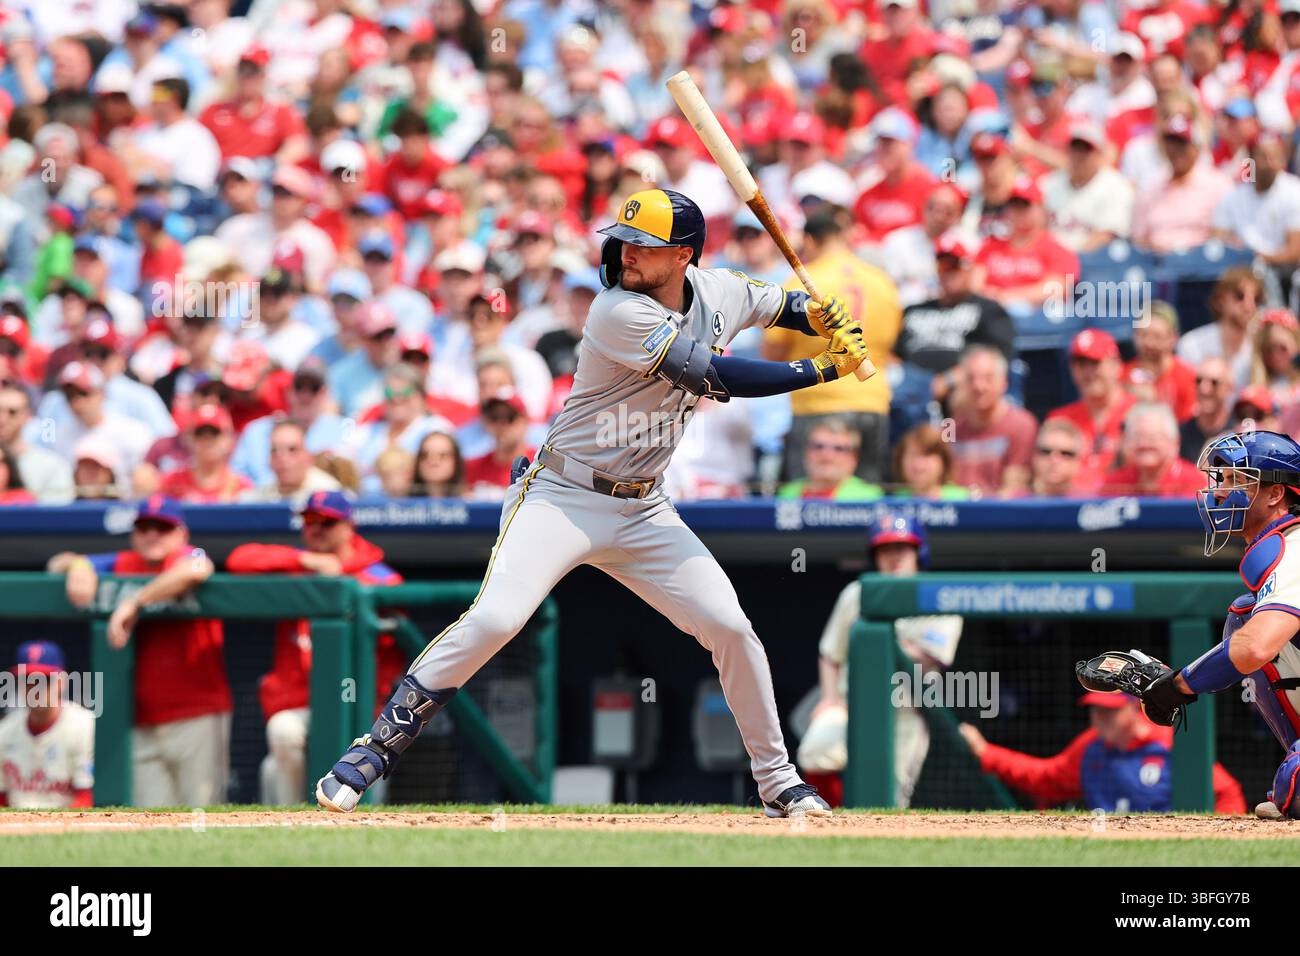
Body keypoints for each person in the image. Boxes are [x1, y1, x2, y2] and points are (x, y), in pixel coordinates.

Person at [316, 189, 874, 818]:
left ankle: (778, 782)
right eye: (625, 241)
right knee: (498, 620)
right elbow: (713, 376)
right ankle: (376, 748)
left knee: (732, 629)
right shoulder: (614, 311)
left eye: (646, 247)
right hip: (563, 494)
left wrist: (816, 316)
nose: (627, 254)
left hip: (645, 508)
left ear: (684, 256)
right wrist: (821, 370)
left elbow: (780, 303)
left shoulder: (721, 290)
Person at [1084, 429, 1300, 818]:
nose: (1221, 492)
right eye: (1222, 480)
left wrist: (1178, 685)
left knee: (1296, 783)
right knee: (1243, 615)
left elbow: (1256, 647)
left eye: (1238, 480)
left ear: (1275, 493)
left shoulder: (1296, 547)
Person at [46, 496, 230, 807]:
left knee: (203, 818)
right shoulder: (125, 562)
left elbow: (198, 568)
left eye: (163, 527)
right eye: (144, 527)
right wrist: (79, 566)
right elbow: (56, 562)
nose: (152, 534)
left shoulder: (187, 556)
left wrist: (134, 601)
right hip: (141, 721)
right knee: (150, 821)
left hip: (197, 717)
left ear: (181, 534)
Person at [226, 492, 407, 805]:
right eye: (310, 521)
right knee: (282, 733)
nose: (317, 528)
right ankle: (293, 817)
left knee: (365, 775)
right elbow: (238, 559)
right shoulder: (296, 566)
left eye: (328, 522)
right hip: (300, 700)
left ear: (349, 525)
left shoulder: (379, 577)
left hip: (357, 703)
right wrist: (304, 560)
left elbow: (398, 650)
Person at [797, 515, 962, 808]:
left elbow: (930, 657)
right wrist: (830, 697)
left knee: (892, 798)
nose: (894, 556)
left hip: (907, 709)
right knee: (815, 751)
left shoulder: (940, 597)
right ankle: (831, 824)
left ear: (918, 553)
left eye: (902, 548)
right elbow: (830, 653)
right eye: (885, 550)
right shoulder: (856, 593)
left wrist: (878, 642)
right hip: (852, 703)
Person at [762, 206, 901, 483]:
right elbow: (893, 342)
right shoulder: (882, 281)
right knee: (866, 499)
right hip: (872, 400)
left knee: (812, 504)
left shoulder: (801, 281)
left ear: (810, 241)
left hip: (817, 401)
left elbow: (772, 352)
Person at [959, 693, 1245, 813]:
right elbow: (1045, 777)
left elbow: (1226, 793)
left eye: (1110, 711)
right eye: (1096, 711)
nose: (1100, 719)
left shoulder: (1169, 743)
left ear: (1134, 709)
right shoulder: (1091, 746)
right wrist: (986, 752)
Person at [0, 641, 95, 808]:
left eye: (45, 679)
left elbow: (87, 798)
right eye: (28, 680)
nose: (35, 689)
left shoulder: (85, 726)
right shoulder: (5, 731)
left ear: (61, 682)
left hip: (69, 829)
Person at [950, 345, 1038, 495]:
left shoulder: (1023, 425)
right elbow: (943, 481)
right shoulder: (949, 427)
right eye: (971, 378)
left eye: (988, 378)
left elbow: (1014, 488)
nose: (979, 386)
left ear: (1003, 382)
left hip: (999, 514)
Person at [1047, 329, 1135, 474]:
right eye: (1081, 364)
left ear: (1116, 365)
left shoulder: (1140, 415)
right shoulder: (1059, 420)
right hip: (1075, 495)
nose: (1088, 372)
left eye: (1095, 363)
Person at [1176, 267, 1263, 390]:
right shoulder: (1191, 344)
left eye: (1257, 299)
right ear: (1220, 300)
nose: (1249, 306)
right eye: (1239, 296)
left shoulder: (1261, 346)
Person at [1098, 403, 1205, 497]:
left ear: (1174, 443)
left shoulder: (1193, 482)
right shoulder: (1115, 484)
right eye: (1137, 437)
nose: (1144, 444)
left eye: (1153, 438)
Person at [157, 405, 253, 503]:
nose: (207, 440)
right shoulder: (171, 482)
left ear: (228, 439)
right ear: (190, 439)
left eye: (215, 433)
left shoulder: (240, 486)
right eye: (200, 434)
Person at [1123, 301, 1196, 422]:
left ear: (1172, 338)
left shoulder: (1187, 378)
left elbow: (1189, 425)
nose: (1149, 343)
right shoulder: (1123, 375)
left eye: (1157, 336)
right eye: (1143, 335)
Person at [777, 418, 884, 501]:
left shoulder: (870, 498)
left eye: (839, 448)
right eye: (818, 446)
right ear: (805, 452)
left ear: (854, 457)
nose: (827, 455)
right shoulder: (786, 494)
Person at [0, 384, 72, 502]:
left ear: (26, 416)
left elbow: (56, 515)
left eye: (12, 412)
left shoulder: (52, 465)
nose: (2, 419)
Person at [242, 419, 343, 503]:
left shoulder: (330, 495)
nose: (282, 458)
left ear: (309, 458)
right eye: (274, 451)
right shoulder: (262, 497)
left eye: (292, 450)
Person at [463, 388, 537, 500]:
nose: (501, 424)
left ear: (525, 421)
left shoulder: (540, 465)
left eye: (509, 417)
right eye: (494, 418)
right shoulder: (472, 468)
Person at [892, 423, 973, 499]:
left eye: (926, 455)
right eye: (913, 455)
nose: (919, 464)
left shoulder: (964, 500)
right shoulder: (892, 501)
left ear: (943, 462)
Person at [1180, 357, 1235, 462]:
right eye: (1199, 381)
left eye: (1214, 383)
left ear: (1229, 388)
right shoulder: (1181, 434)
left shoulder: (1238, 432)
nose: (1204, 389)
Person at [1028, 419, 1091, 496]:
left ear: (1078, 460)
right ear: (1035, 456)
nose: (1054, 460)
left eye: (1065, 453)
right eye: (1046, 451)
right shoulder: (1016, 501)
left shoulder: (1090, 503)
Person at [410, 431, 466, 498]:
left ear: (456, 461)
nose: (433, 461)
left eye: (443, 455)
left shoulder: (472, 503)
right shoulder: (401, 503)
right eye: (425, 455)